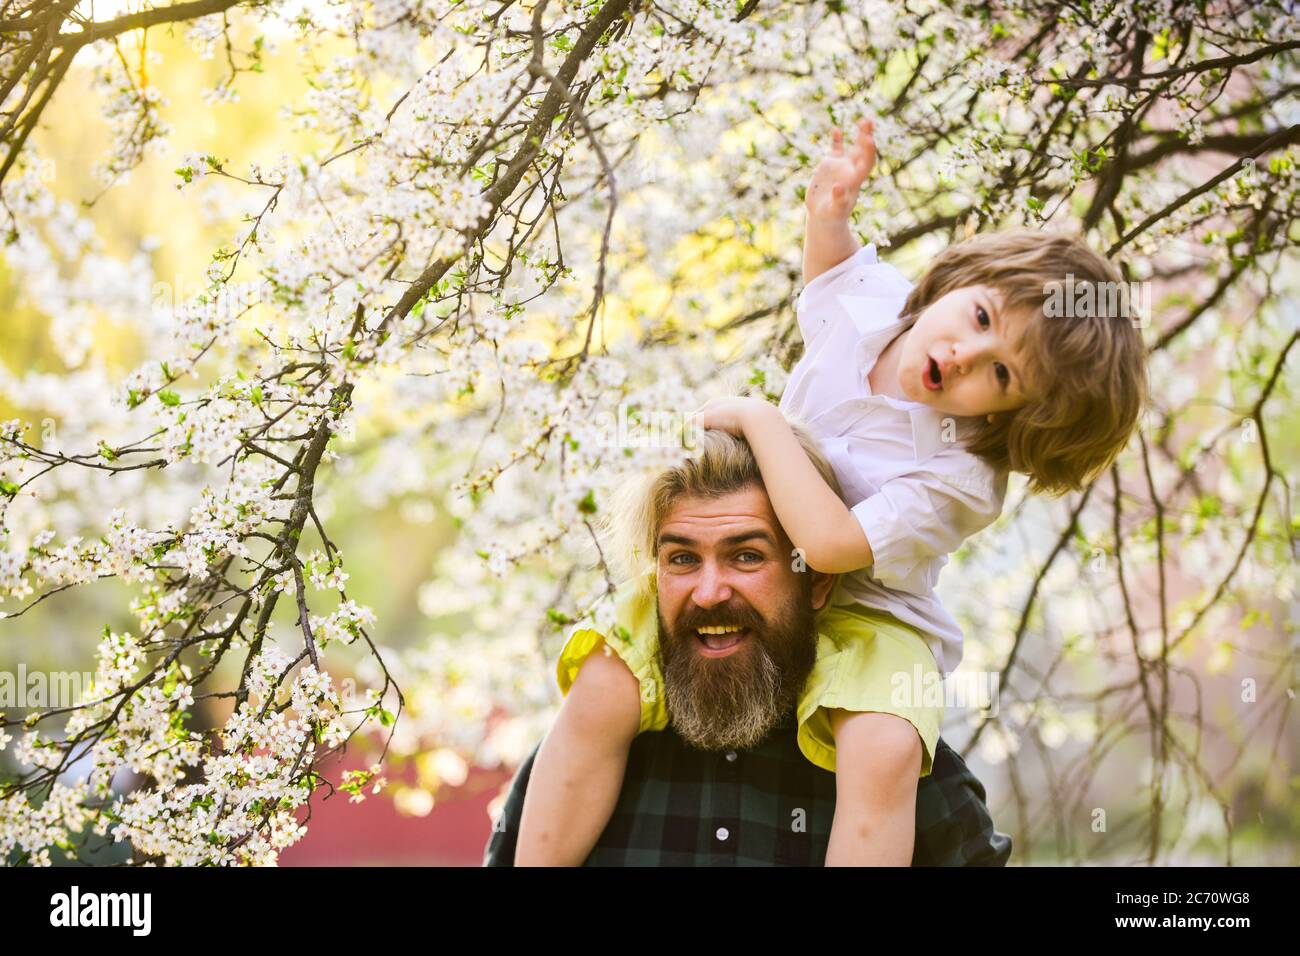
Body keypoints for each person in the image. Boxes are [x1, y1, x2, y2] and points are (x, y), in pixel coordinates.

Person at [517, 117, 1149, 865]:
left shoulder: (963, 477)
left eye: (1002, 374)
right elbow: (829, 272)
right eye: (979, 317)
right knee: (605, 677)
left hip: (871, 612)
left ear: (1015, 418)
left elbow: (832, 546)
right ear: (958, 280)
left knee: (882, 743)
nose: (965, 353)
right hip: (768, 563)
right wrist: (830, 209)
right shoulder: (877, 304)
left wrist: (762, 422)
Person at [484, 426, 1011, 865]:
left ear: (818, 581)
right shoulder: (586, 751)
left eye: (747, 557)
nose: (709, 593)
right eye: (683, 560)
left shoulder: (894, 762)